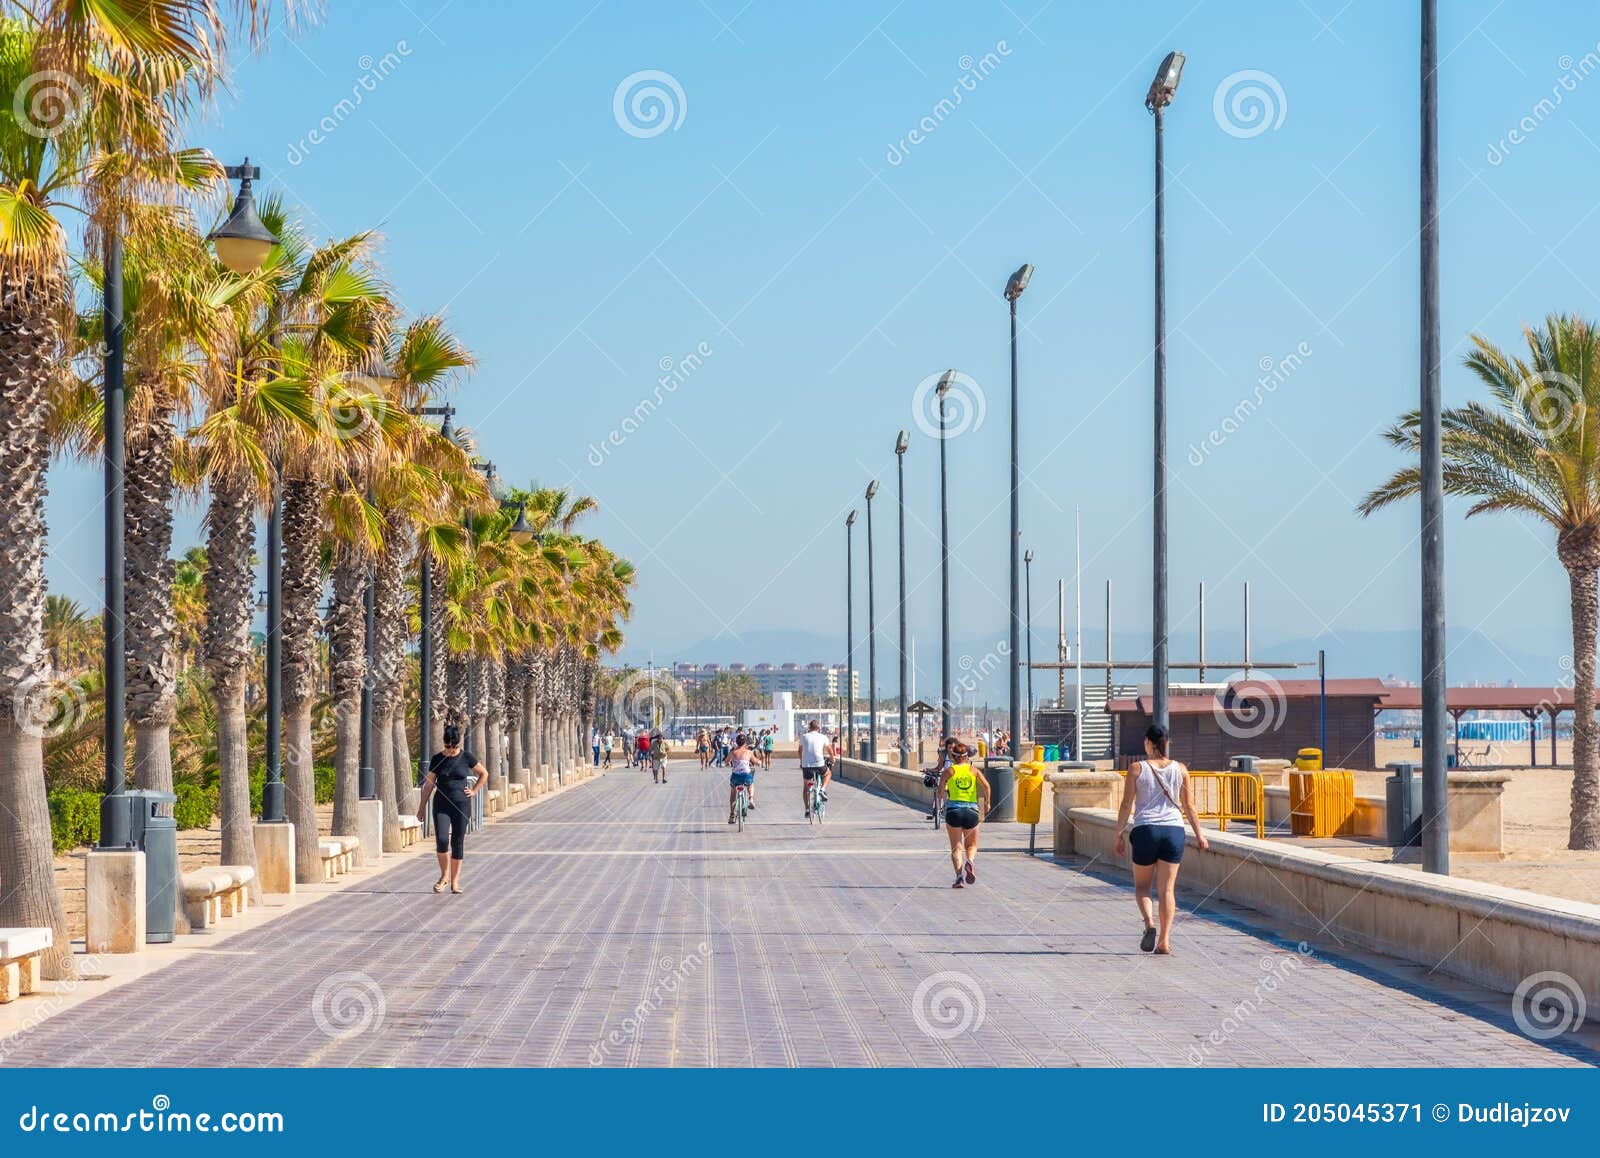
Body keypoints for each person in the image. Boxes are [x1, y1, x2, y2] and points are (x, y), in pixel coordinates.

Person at [1113, 723, 1210, 955]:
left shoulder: (1136, 768)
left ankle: (1149, 924)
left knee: (1142, 887)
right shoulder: (1181, 769)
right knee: (1167, 890)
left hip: (1146, 830)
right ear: (1167, 743)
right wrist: (1199, 834)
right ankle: (1164, 941)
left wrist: (1118, 834)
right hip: (1173, 831)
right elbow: (1189, 806)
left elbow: (1126, 804)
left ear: (1148, 742)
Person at [415, 724, 486, 895]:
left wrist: (474, 791)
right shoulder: (437, 759)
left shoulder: (467, 757)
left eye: (453, 747)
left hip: (462, 805)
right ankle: (444, 876)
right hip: (441, 805)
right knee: (441, 839)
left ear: (458, 744)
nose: (450, 750)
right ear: (444, 743)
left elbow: (484, 773)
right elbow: (429, 784)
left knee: (457, 842)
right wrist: (421, 807)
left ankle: (455, 881)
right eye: (447, 746)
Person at [939, 743, 989, 888]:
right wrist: (988, 802)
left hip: (954, 810)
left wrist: (942, 797)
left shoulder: (949, 771)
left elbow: (941, 791)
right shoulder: (973, 770)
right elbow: (986, 786)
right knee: (971, 845)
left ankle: (959, 877)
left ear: (953, 756)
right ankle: (970, 861)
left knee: (956, 848)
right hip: (972, 811)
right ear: (967, 756)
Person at [797, 719, 833, 818]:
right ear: (818, 728)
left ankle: (807, 809)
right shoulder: (823, 737)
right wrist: (832, 759)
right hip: (819, 765)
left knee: (806, 788)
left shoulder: (803, 737)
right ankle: (822, 789)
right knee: (828, 773)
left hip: (807, 766)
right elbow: (829, 749)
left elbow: (800, 751)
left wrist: (801, 761)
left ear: (809, 727)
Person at [727, 731, 759, 823]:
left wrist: (728, 762)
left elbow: (726, 761)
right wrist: (760, 762)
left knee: (733, 791)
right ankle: (751, 799)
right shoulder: (749, 752)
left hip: (736, 777)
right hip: (746, 776)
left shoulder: (733, 752)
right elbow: (756, 761)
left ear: (736, 742)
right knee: (751, 784)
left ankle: (732, 815)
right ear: (745, 743)